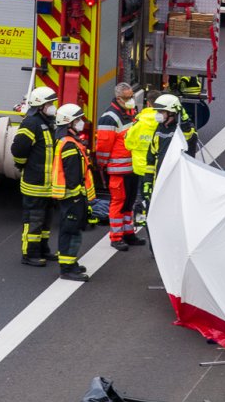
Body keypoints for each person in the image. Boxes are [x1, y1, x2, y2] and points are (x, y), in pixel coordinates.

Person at [11, 86, 58, 267]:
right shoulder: (31, 123)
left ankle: (42, 249)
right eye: (49, 103)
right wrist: (23, 164)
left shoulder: (49, 121)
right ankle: (29, 254)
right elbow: (18, 149)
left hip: (48, 185)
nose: (52, 106)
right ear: (40, 106)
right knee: (33, 221)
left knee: (46, 221)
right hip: (34, 184)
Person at [49, 103, 95, 282]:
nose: (81, 122)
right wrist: (78, 197)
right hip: (73, 197)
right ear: (69, 123)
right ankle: (67, 269)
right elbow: (73, 177)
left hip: (72, 197)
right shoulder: (69, 146)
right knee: (70, 232)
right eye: (78, 120)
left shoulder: (69, 142)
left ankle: (71, 263)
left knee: (72, 230)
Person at [96, 83, 144, 250]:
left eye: (131, 96)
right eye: (127, 98)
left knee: (129, 202)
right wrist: (101, 166)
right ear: (118, 99)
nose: (130, 100)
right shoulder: (109, 117)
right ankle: (116, 237)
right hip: (118, 171)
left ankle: (128, 233)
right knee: (118, 202)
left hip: (133, 168)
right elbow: (103, 147)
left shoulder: (131, 113)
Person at [122, 101, 160, 229]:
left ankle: (140, 217)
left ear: (148, 103)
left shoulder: (138, 123)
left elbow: (128, 143)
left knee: (140, 194)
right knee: (154, 193)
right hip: (156, 167)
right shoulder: (162, 123)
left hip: (139, 167)